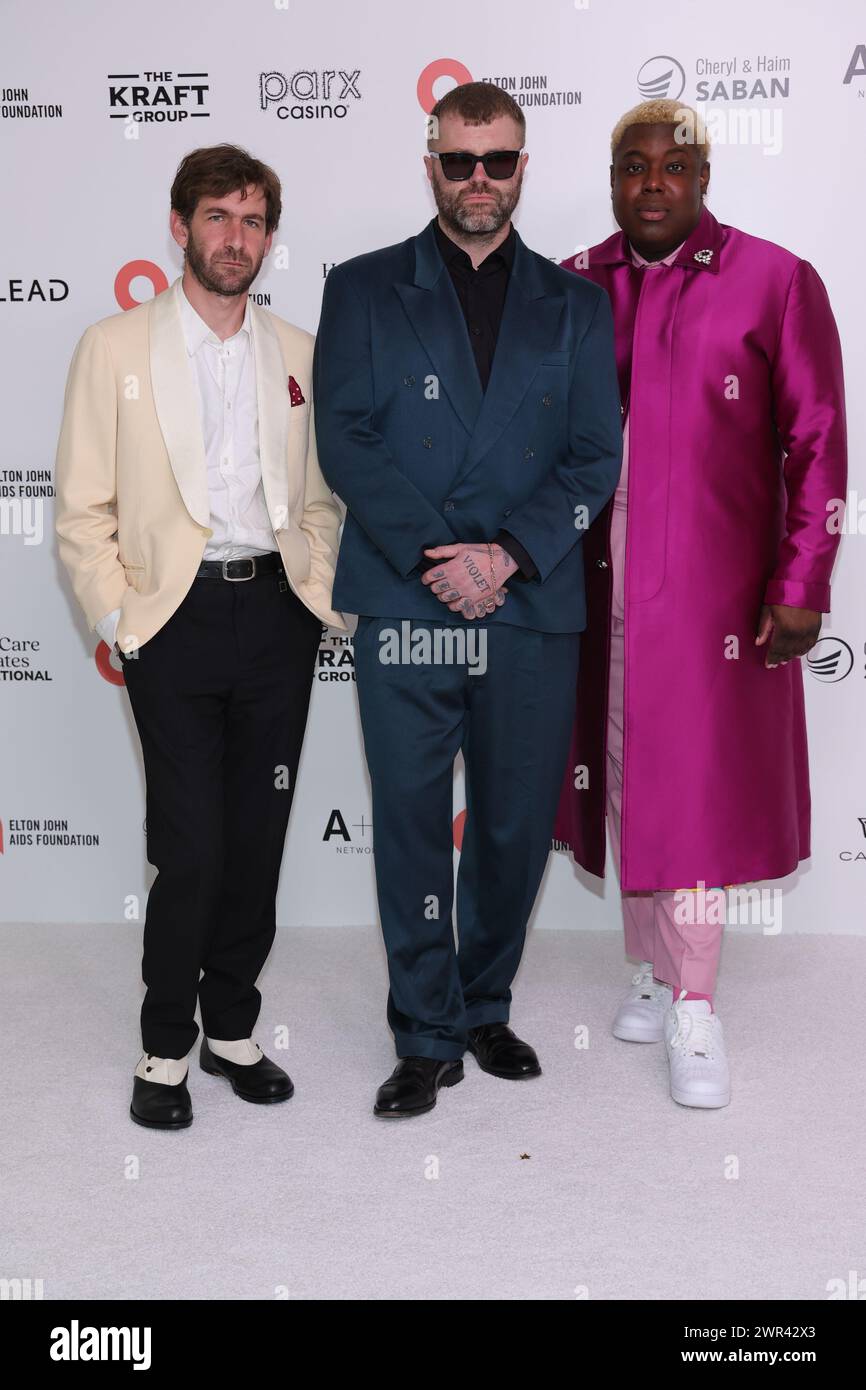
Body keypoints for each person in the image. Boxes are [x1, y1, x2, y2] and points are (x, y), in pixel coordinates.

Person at [314, 81, 621, 1118]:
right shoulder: (360, 288)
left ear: (522, 167)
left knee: (507, 824)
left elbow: (591, 459)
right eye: (459, 160)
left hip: (528, 604)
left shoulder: (576, 304)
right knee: (408, 821)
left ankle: (483, 1002)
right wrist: (437, 557)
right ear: (430, 163)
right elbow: (343, 437)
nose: (477, 178)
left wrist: (505, 558)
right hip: (408, 599)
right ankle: (424, 1030)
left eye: (497, 160)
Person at [554, 100, 847, 1108]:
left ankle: (694, 1002)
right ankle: (646, 967)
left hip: (714, 598)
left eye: (670, 166)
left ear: (701, 176)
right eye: (630, 166)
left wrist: (802, 581)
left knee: (696, 793)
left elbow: (814, 440)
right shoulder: (574, 286)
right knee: (625, 779)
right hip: (596, 587)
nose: (649, 182)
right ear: (610, 179)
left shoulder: (772, 280)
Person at [55, 144, 344, 1129]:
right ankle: (163, 1040)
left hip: (274, 616)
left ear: (270, 236)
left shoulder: (301, 352)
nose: (237, 238)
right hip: (169, 622)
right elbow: (80, 507)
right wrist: (120, 621)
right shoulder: (116, 348)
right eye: (218, 217)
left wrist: (312, 587)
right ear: (179, 227)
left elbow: (322, 499)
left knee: (258, 833)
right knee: (189, 842)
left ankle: (231, 1028)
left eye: (254, 220)